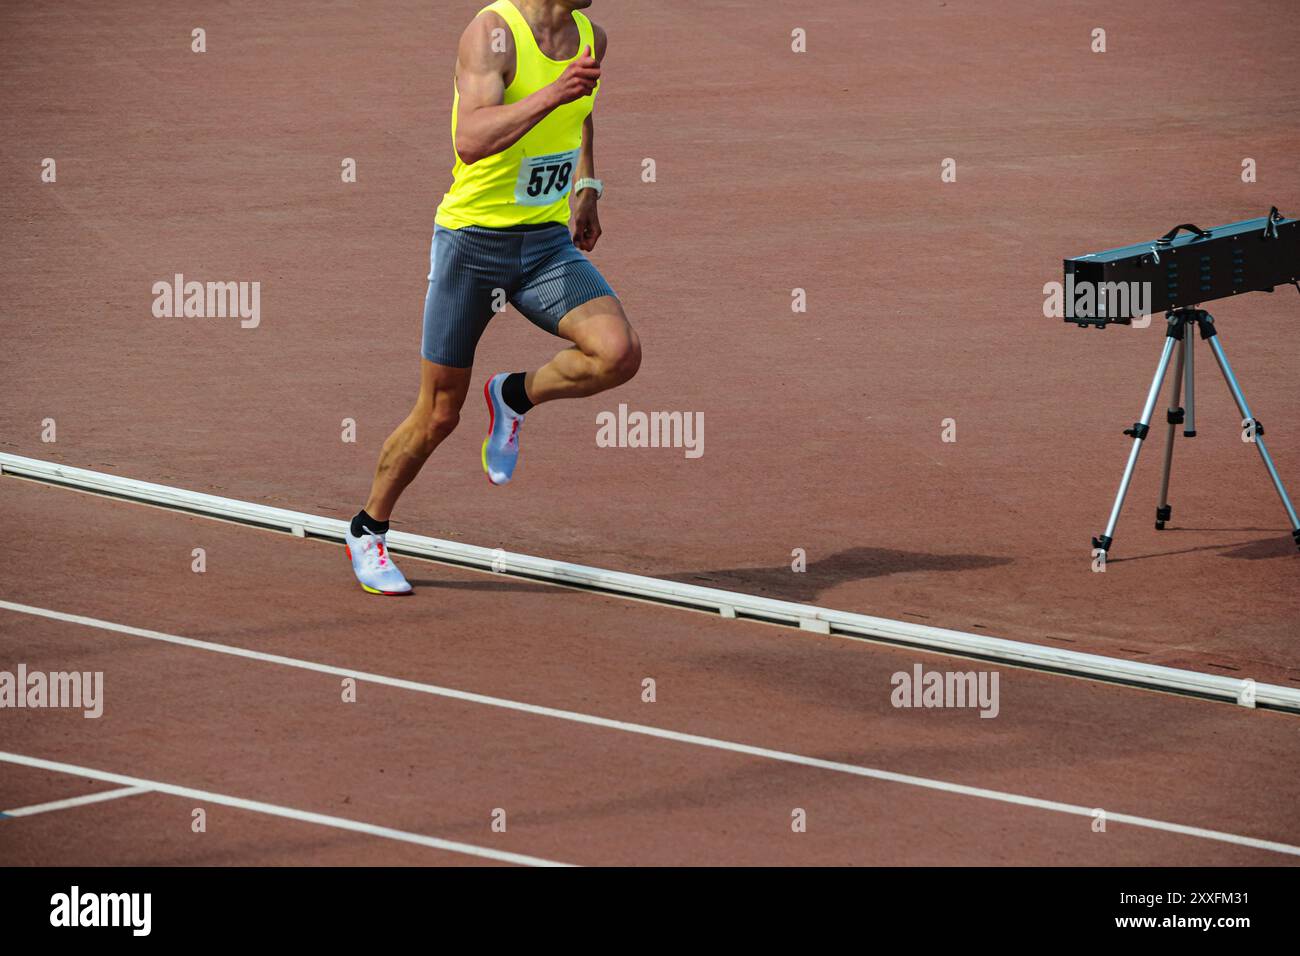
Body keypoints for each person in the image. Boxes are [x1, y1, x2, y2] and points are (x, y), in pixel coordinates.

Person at [344, 0, 640, 595]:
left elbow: (581, 113)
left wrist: (587, 186)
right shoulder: (493, 33)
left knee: (617, 353)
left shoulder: (590, 35)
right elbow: (471, 138)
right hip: (473, 246)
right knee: (439, 415)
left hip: (545, 245)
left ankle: (513, 396)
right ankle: (367, 529)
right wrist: (551, 94)